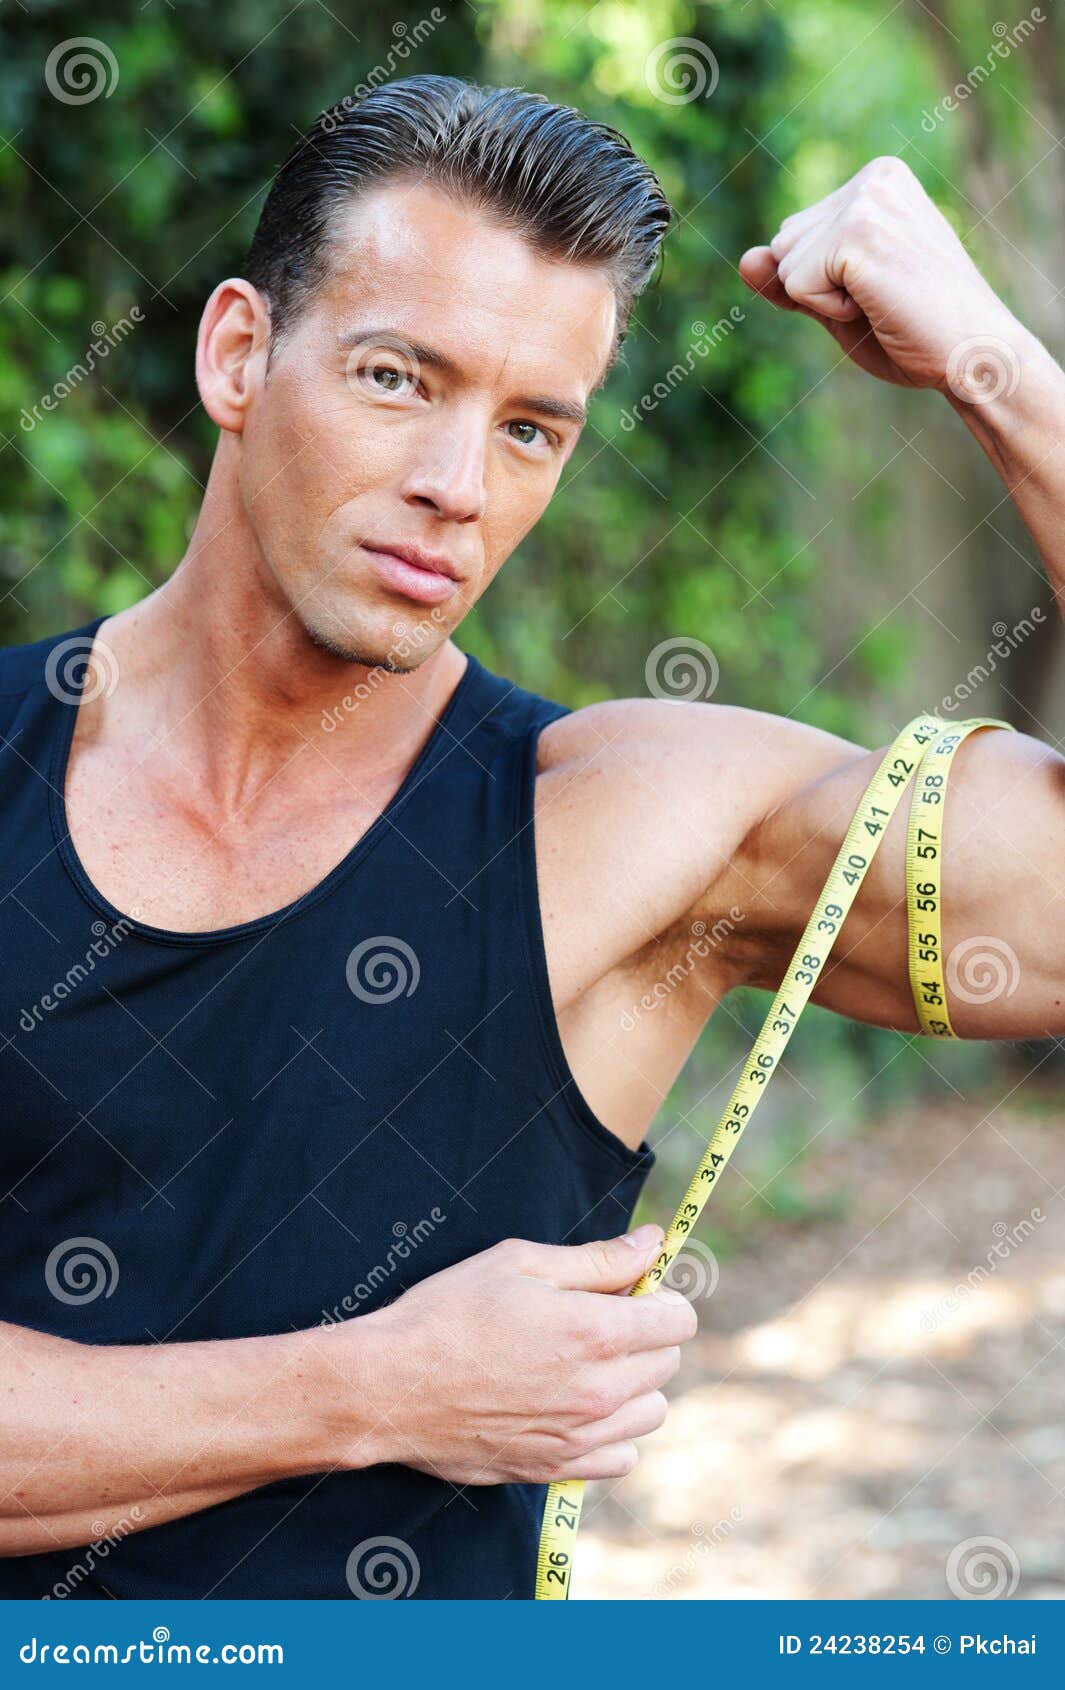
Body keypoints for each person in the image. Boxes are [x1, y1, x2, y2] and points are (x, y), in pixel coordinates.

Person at [0, 75, 1060, 1601]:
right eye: (394, 377)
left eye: (528, 429)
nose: (455, 488)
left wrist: (996, 369)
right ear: (237, 353)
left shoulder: (638, 827)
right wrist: (373, 1388)